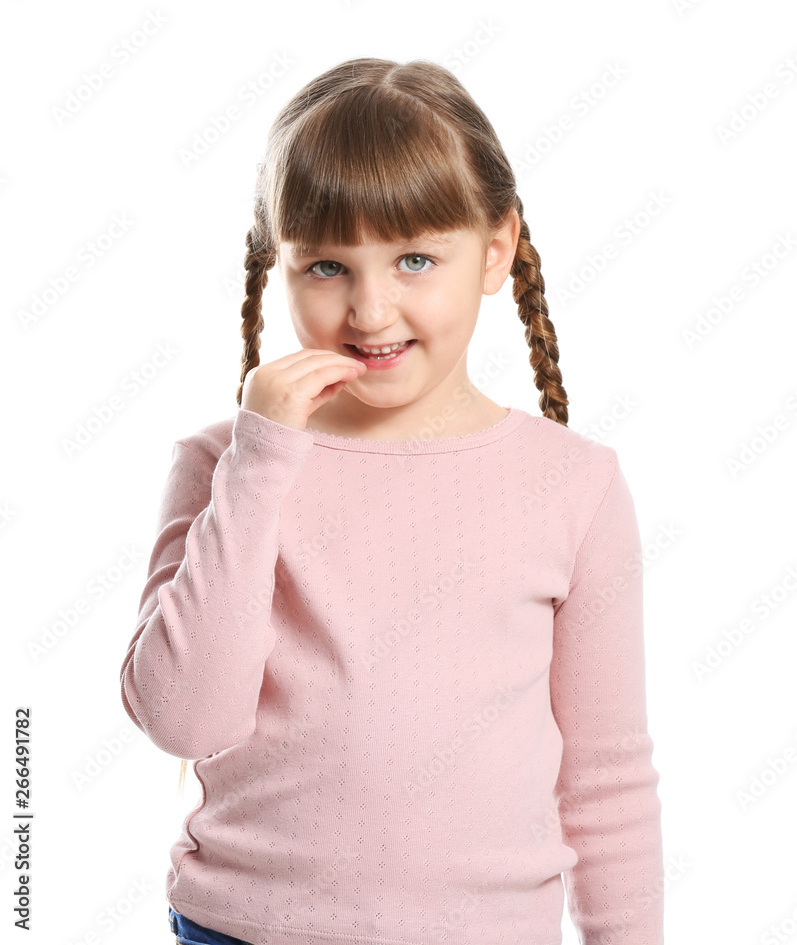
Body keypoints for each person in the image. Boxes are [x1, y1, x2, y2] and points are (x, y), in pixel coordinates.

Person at [119, 56, 664, 945]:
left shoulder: (575, 485)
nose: (371, 310)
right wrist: (260, 463)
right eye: (327, 265)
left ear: (495, 250)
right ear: (278, 269)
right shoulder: (224, 463)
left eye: (415, 258)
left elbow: (604, 778)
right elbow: (185, 717)